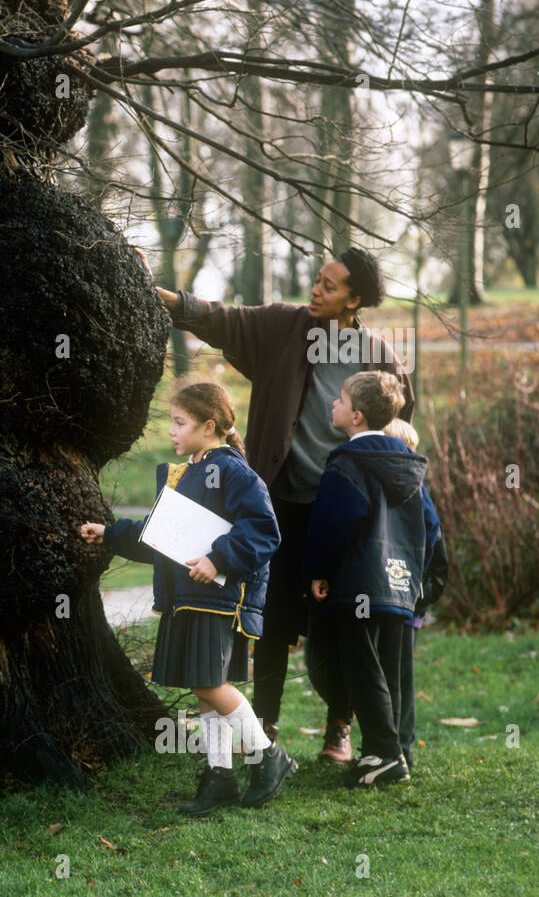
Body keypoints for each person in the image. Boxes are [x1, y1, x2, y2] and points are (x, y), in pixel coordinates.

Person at [155, 249, 413, 752]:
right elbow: (221, 319)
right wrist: (160, 297)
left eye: (330, 286)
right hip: (283, 504)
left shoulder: (378, 356)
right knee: (271, 616)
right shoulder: (285, 327)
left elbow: (399, 425)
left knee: (340, 619)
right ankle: (265, 727)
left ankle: (340, 726)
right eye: (317, 280)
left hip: (345, 511)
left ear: (355, 300)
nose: (316, 290)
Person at [79, 380, 293, 816]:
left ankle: (268, 756)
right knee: (204, 689)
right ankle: (220, 777)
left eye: (180, 423)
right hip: (187, 598)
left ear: (209, 426)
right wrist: (110, 533)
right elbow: (164, 536)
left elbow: (263, 531)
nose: (172, 432)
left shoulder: (233, 471)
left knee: (208, 683)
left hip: (218, 597)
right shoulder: (183, 472)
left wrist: (218, 560)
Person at [302, 373, 439, 788]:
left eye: (339, 400)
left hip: (358, 587)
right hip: (399, 588)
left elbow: (333, 523)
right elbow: (430, 528)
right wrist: (414, 577)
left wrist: (318, 571)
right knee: (391, 671)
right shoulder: (409, 465)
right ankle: (396, 751)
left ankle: (382, 754)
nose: (332, 405)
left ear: (356, 416)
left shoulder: (346, 463)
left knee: (363, 669)